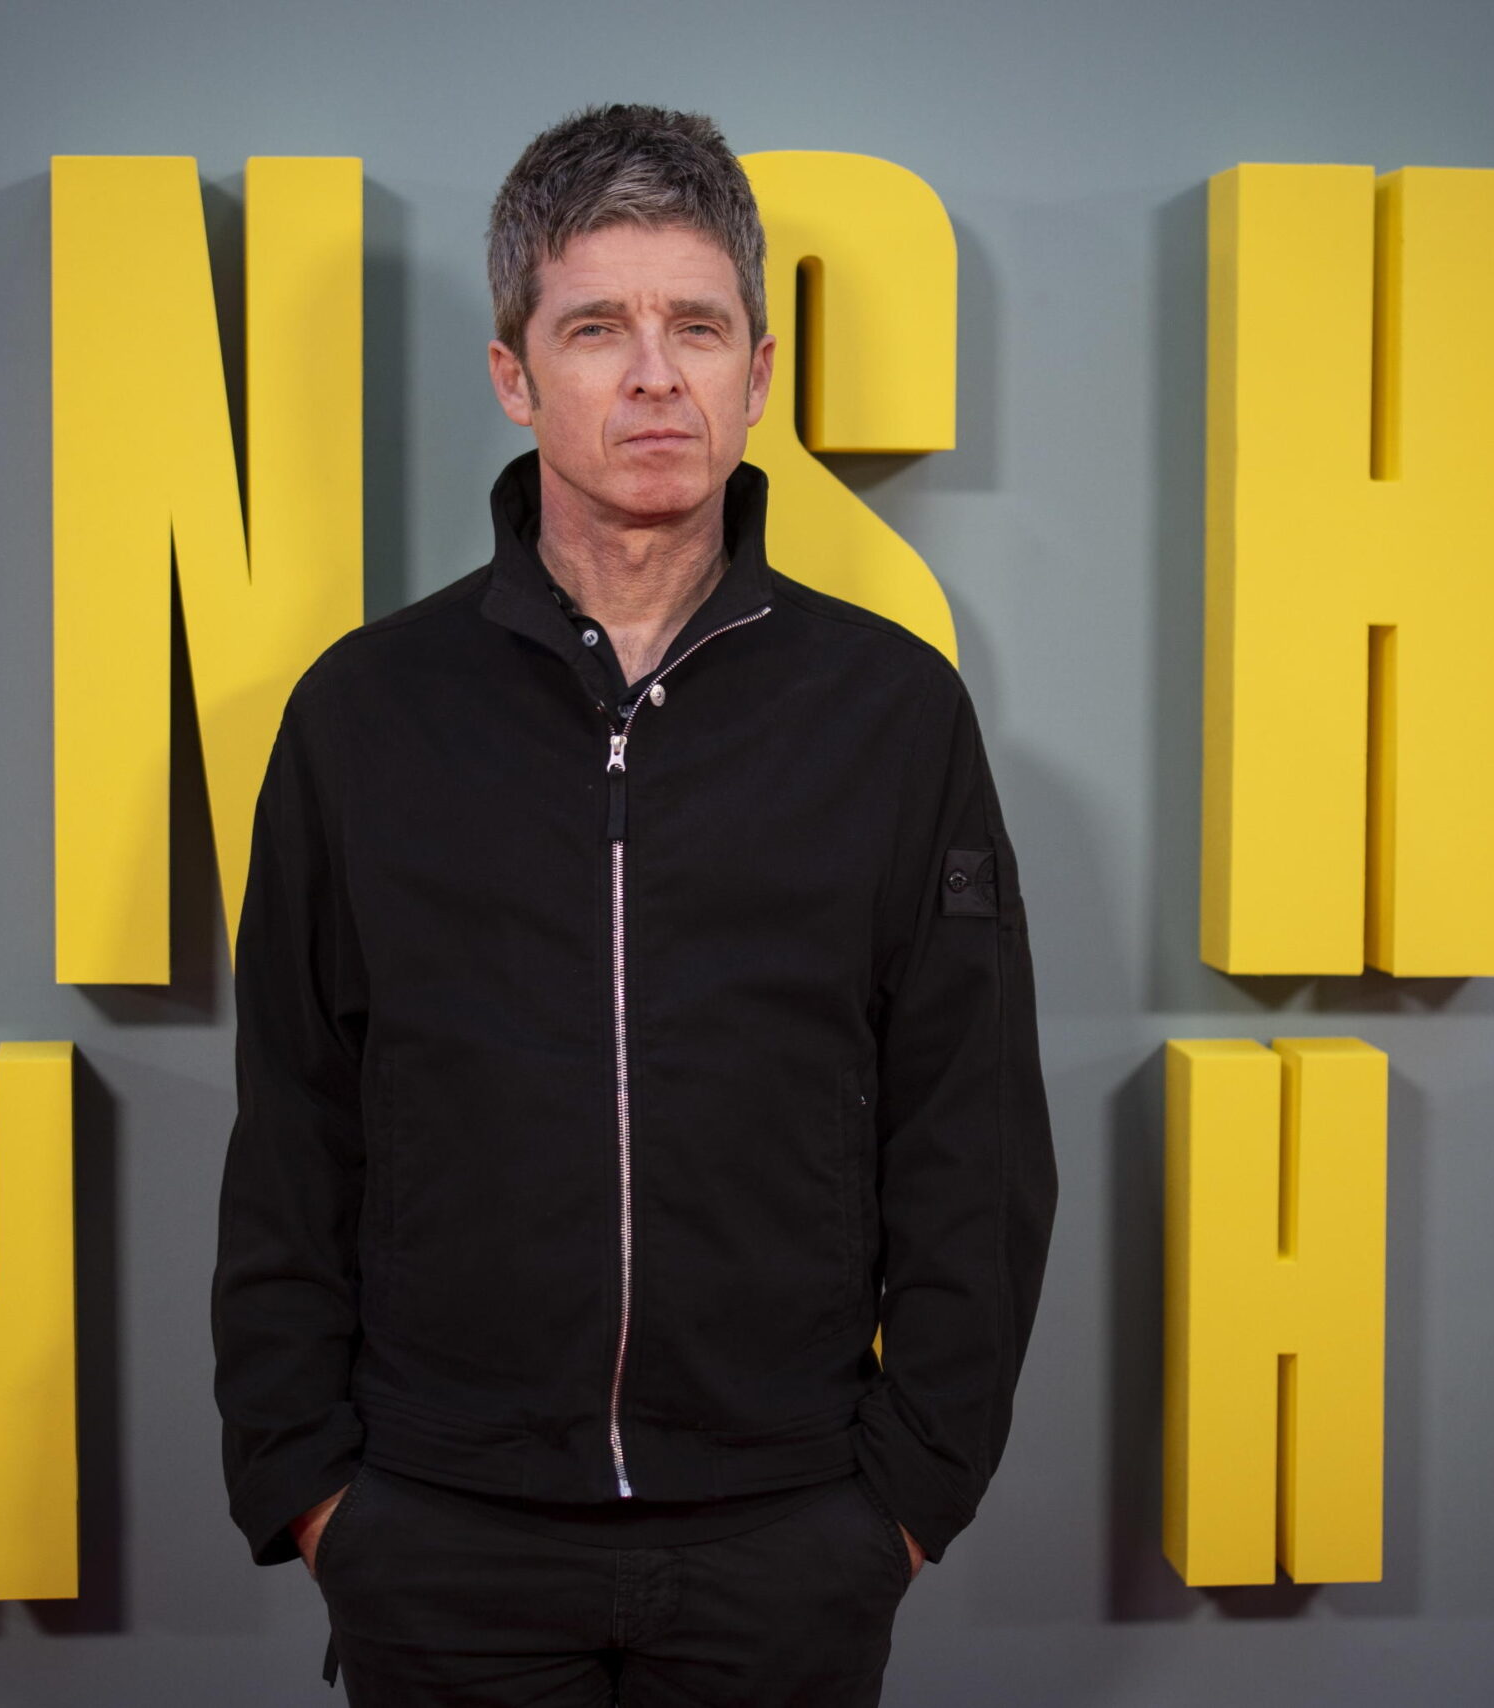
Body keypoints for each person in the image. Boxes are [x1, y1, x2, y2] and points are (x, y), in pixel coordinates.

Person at [212, 102, 1057, 1706]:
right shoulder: (364, 716)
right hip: (443, 1536)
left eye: (699, 327)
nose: (655, 374)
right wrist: (313, 1490)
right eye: (597, 326)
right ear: (515, 374)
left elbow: (974, 1133)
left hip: (786, 1536)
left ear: (759, 371)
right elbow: (294, 1127)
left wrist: (905, 1501)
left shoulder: (892, 715)